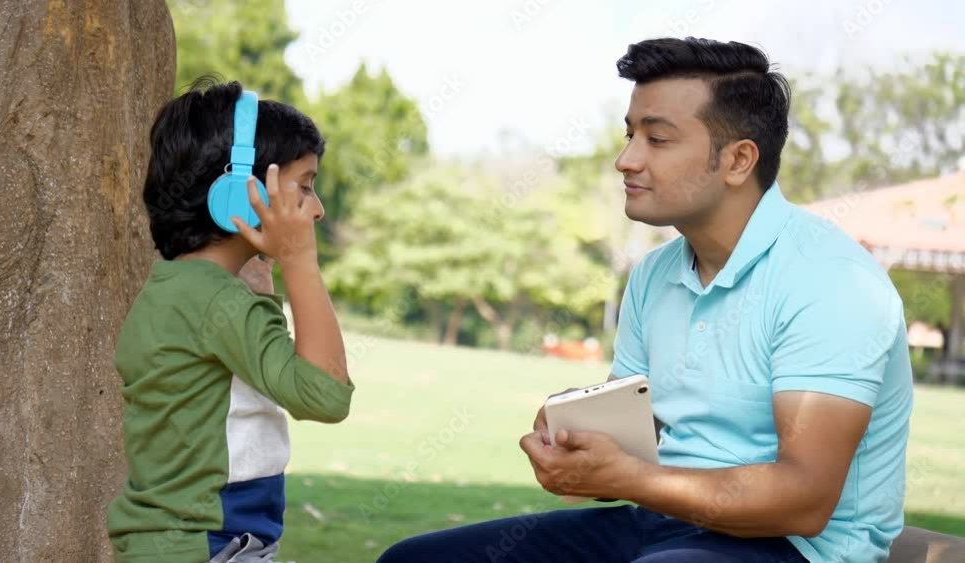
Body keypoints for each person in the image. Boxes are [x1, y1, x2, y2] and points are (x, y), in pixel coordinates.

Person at [378, 37, 912, 563]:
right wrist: (576, 437)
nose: (624, 160)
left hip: (791, 548)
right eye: (630, 134)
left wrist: (630, 476)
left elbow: (804, 501)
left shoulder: (832, 282)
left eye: (657, 140)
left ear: (738, 161)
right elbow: (636, 442)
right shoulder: (655, 273)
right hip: (658, 523)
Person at [107, 79, 355, 563]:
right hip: (207, 546)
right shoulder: (214, 301)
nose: (318, 209)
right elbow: (327, 394)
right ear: (239, 193)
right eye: (304, 186)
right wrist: (299, 259)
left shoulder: (179, 289)